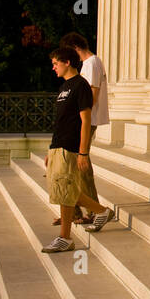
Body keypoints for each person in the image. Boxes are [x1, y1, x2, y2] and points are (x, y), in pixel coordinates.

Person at [41, 45, 115, 253]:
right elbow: (61, 121)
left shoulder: (81, 85)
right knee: (62, 190)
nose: (53, 68)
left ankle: (65, 238)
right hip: (58, 146)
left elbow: (85, 120)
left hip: (71, 147)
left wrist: (83, 152)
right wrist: (51, 150)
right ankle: (101, 211)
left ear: (67, 62)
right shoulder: (63, 87)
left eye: (56, 64)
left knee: (65, 191)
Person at [60, 31, 107, 224]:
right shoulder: (90, 64)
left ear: (75, 48)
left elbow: (92, 95)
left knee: (82, 166)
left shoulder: (92, 63)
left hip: (87, 120)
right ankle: (77, 211)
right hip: (84, 119)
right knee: (78, 167)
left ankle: (93, 210)